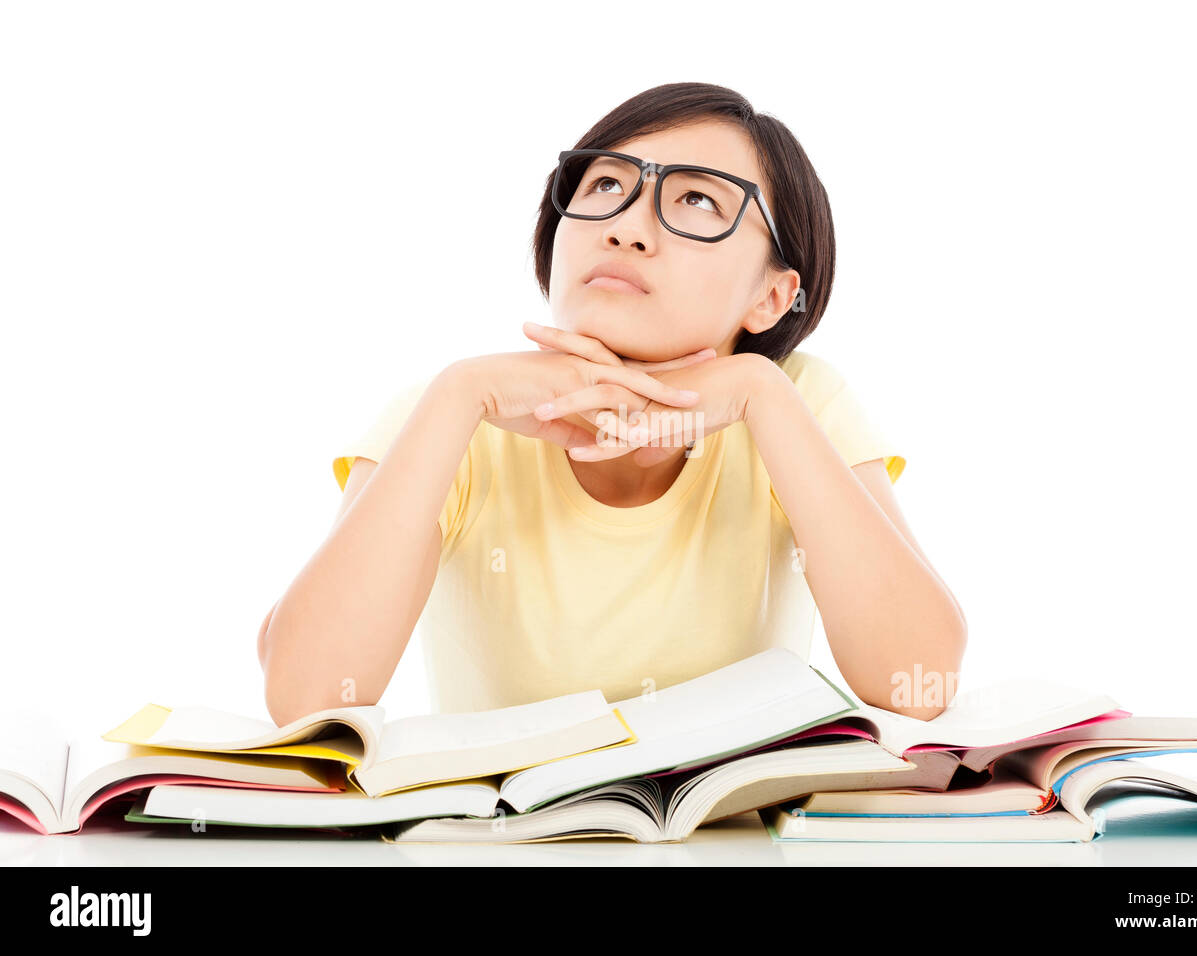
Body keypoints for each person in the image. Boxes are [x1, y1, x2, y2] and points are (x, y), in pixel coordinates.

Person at [257, 82, 967, 726]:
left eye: (697, 200)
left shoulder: (802, 402)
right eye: (603, 184)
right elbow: (308, 699)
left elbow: (920, 685)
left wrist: (761, 395)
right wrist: (458, 396)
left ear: (772, 296)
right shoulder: (449, 414)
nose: (626, 225)